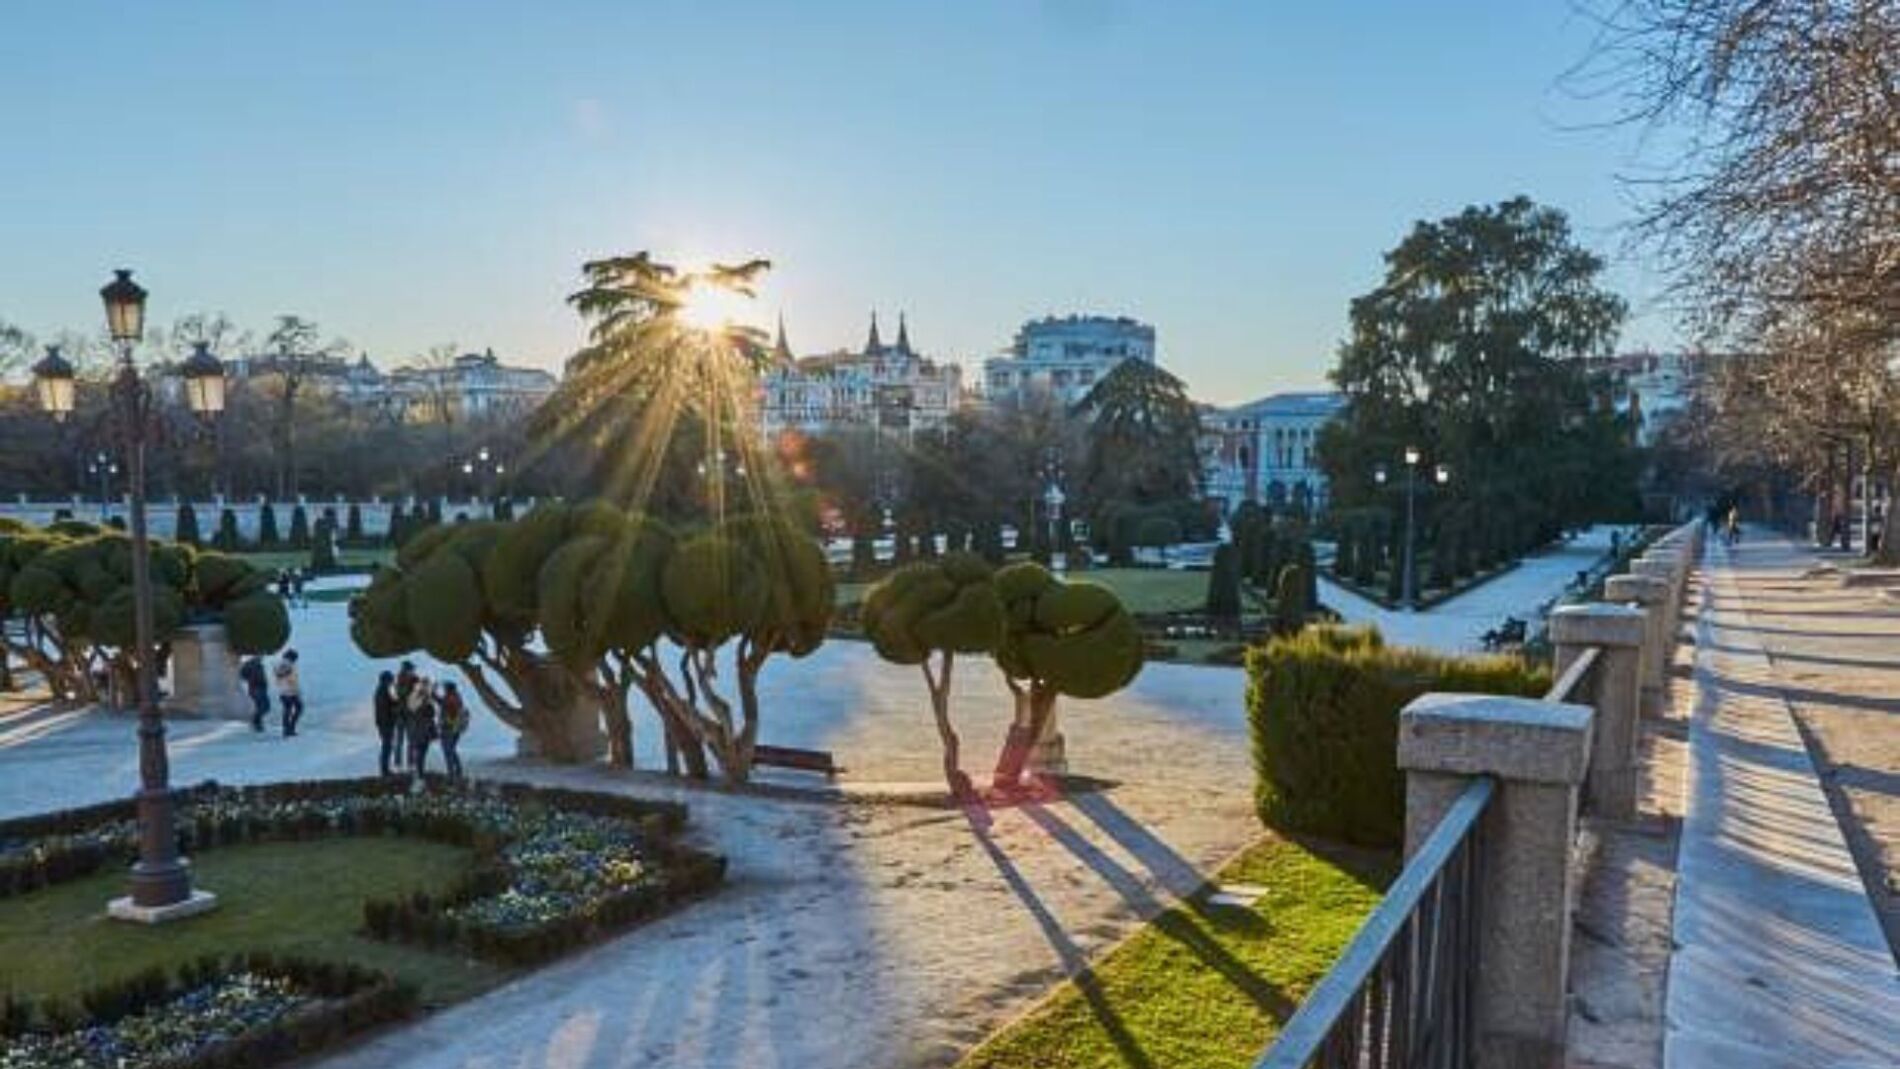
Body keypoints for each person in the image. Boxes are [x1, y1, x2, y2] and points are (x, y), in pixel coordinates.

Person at [406, 674, 437, 777]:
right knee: (421, 751)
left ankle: (417, 769)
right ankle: (419, 771)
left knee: (418, 750)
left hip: (417, 728)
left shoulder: (414, 697)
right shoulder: (423, 699)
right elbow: (430, 713)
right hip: (422, 729)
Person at [437, 681, 468, 782]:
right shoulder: (457, 697)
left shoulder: (450, 698)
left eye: (445, 688)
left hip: (448, 728)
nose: (444, 690)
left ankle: (451, 774)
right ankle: (458, 770)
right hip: (455, 729)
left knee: (448, 751)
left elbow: (442, 703)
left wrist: (432, 693)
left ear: (448, 689)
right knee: (451, 750)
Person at [373, 670, 399, 776]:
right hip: (386, 724)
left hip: (384, 723)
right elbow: (391, 705)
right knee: (387, 746)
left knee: (387, 746)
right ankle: (385, 770)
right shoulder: (384, 691)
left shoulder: (381, 690)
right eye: (391, 680)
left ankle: (385, 769)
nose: (392, 682)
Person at [392, 660, 418, 767]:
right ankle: (403, 762)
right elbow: (400, 694)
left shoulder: (413, 680)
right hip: (405, 714)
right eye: (411, 669)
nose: (413, 671)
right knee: (404, 740)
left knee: (406, 740)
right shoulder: (401, 680)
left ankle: (406, 762)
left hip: (405, 714)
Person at [273, 649, 303, 737]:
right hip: (290, 691)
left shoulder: (280, 664)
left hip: (283, 691)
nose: (296, 661)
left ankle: (287, 729)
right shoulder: (288, 665)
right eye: (295, 659)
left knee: (288, 710)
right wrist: (296, 689)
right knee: (296, 709)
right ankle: (289, 728)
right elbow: (291, 678)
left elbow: (279, 676)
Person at [239, 654, 271, 732]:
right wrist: (252, 679)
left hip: (258, 688)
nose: (262, 657)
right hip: (256, 688)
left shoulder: (257, 664)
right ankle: (255, 721)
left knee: (261, 706)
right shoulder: (252, 664)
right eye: (260, 656)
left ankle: (257, 724)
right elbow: (242, 675)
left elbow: (243, 675)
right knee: (265, 706)